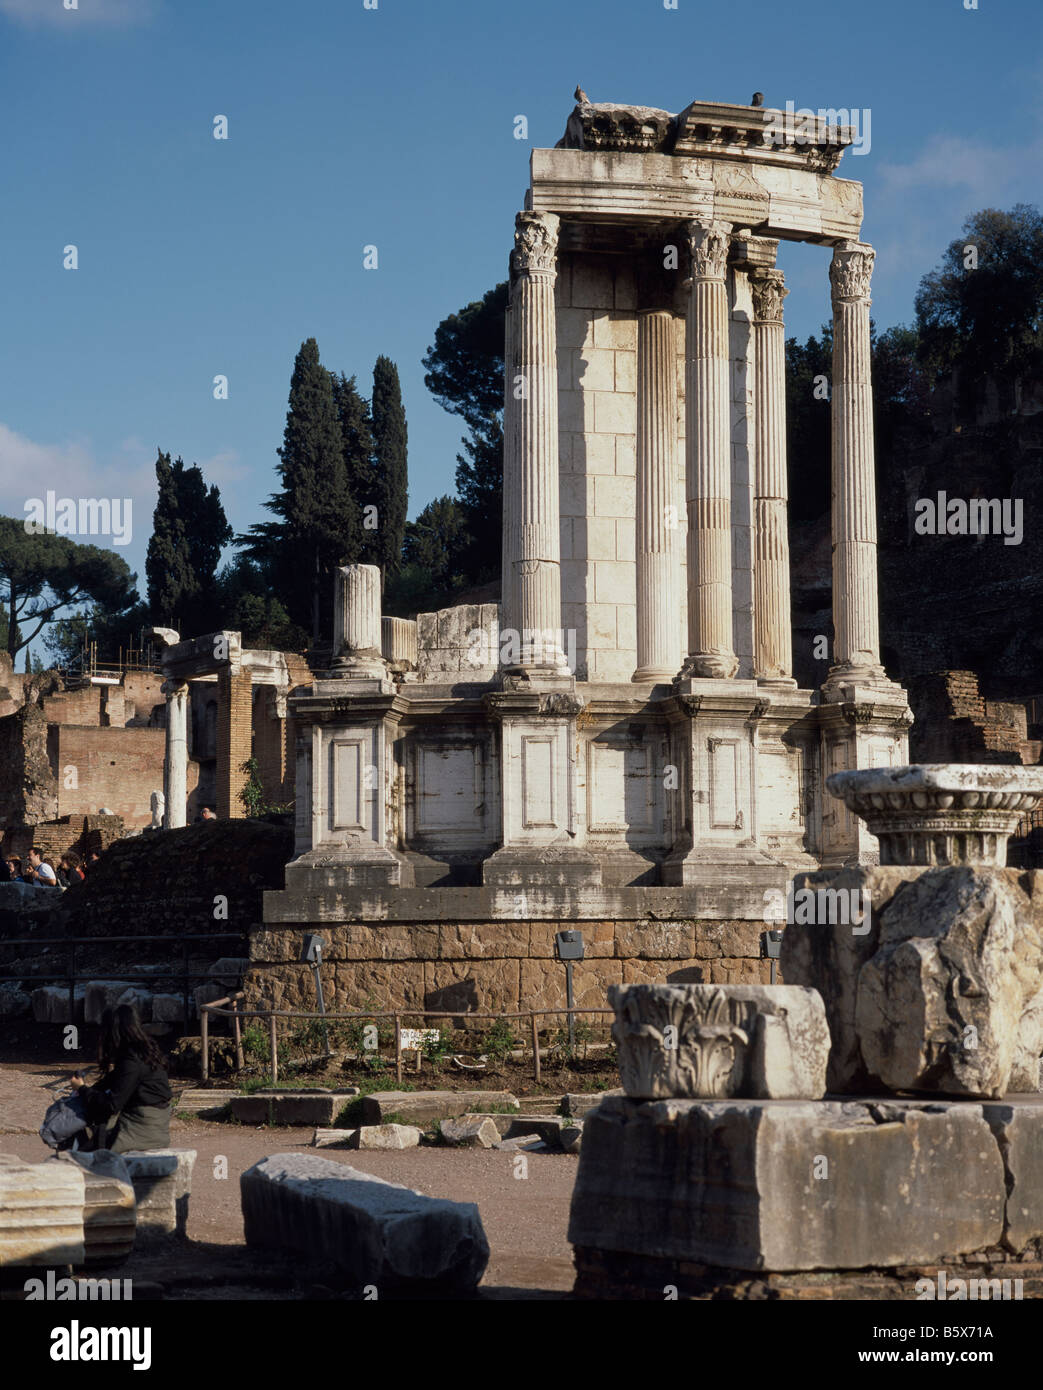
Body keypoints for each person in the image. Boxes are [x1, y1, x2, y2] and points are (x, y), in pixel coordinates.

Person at [70, 1004, 173, 1153]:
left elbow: (112, 1105)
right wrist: (89, 1090)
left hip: (142, 1129)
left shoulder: (132, 1061)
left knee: (85, 1155)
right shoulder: (142, 1051)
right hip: (151, 1124)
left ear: (113, 1030)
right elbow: (114, 1079)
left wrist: (82, 1089)